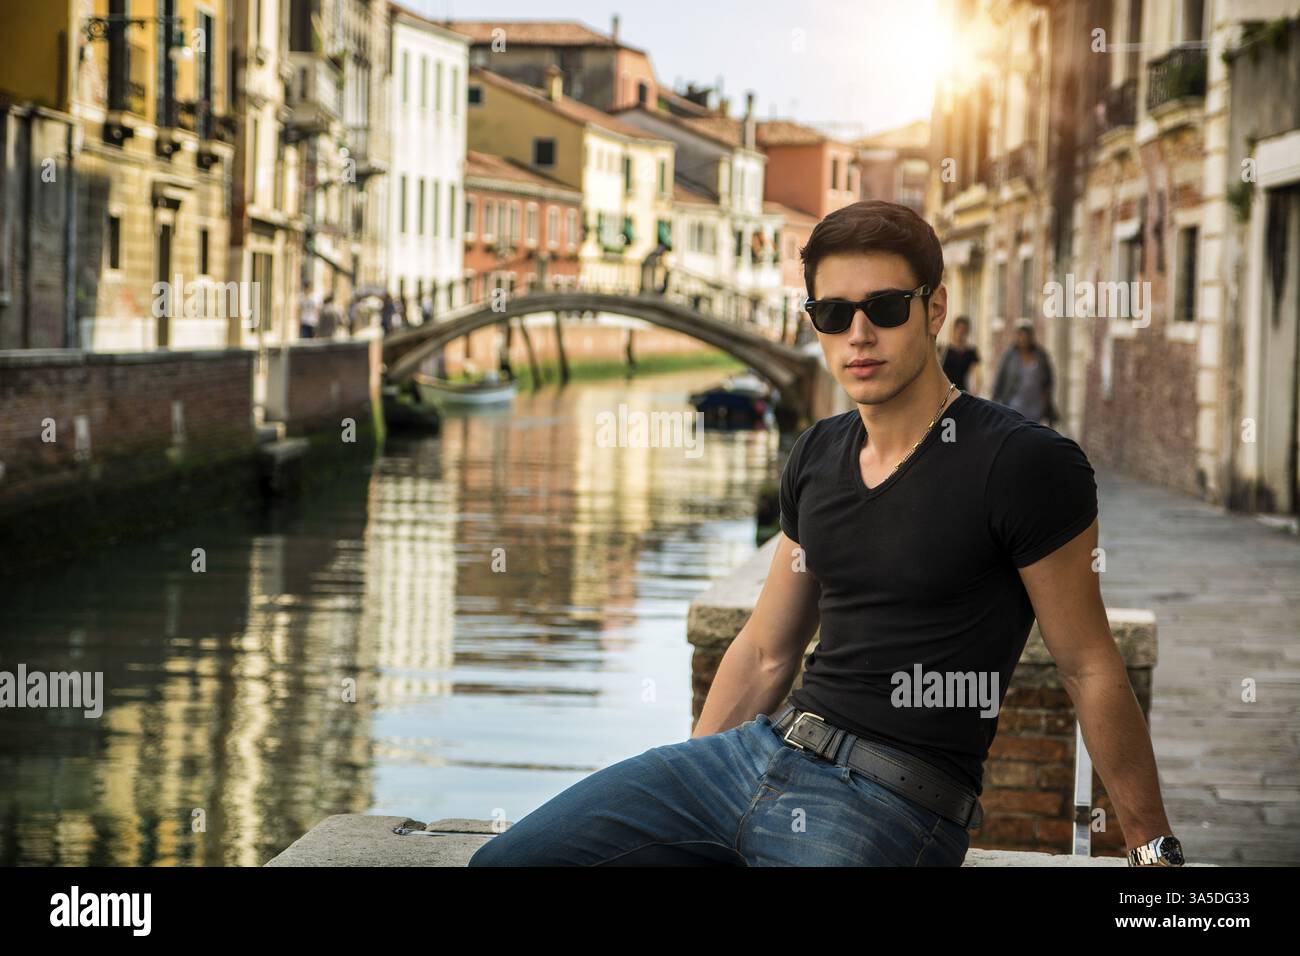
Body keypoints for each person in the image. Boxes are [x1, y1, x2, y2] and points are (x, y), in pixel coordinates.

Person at [467, 200, 1183, 869]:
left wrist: (1154, 857)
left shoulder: (1024, 462)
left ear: (934, 309)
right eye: (834, 313)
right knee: (505, 861)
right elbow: (765, 650)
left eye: (884, 308)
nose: (858, 334)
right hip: (759, 754)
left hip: (896, 799)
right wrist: (697, 793)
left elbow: (1089, 666)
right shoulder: (816, 453)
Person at [992, 319, 1058, 426]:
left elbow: (1048, 380)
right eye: (1021, 335)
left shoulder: (1040, 355)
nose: (1024, 339)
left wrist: (1047, 403)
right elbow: (1000, 378)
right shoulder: (1010, 356)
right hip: (1014, 404)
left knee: (1033, 434)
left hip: (1036, 407)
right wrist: (995, 401)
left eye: (1027, 335)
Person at [940, 314, 981, 394]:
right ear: (954, 330)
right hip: (945, 391)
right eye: (959, 330)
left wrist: (975, 390)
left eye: (964, 331)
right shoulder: (944, 349)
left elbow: (977, 374)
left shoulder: (971, 352)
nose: (961, 334)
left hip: (962, 392)